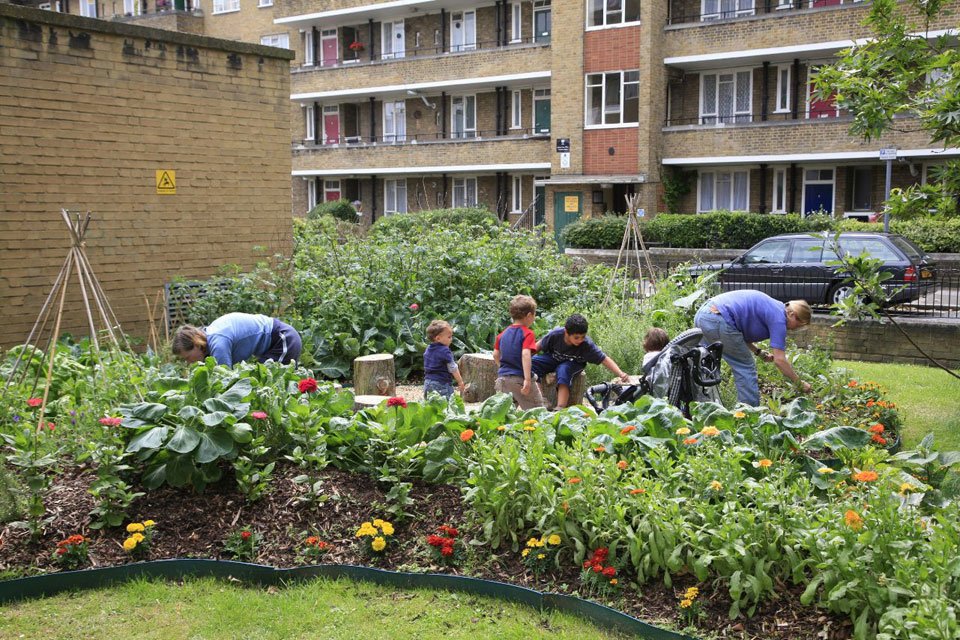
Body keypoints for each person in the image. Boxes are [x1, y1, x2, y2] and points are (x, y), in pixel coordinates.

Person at [694, 290, 812, 407]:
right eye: (799, 325)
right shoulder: (780, 319)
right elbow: (780, 360)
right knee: (746, 367)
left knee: (706, 364)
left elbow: (737, 334)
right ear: (792, 315)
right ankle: (749, 415)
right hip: (718, 318)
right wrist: (799, 383)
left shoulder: (775, 307)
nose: (796, 329)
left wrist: (758, 352)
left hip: (705, 314)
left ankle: (700, 405)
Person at [532, 314, 630, 408]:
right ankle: (540, 400)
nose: (580, 340)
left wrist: (620, 373)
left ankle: (560, 406)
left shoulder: (587, 345)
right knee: (531, 364)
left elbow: (604, 359)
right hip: (553, 358)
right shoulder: (555, 335)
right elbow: (537, 347)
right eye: (576, 337)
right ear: (566, 332)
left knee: (563, 370)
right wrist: (522, 358)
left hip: (573, 363)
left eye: (583, 337)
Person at [172, 312, 302, 367]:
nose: (188, 362)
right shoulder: (209, 342)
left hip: (283, 339)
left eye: (187, 357)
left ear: (196, 344)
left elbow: (225, 380)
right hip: (271, 346)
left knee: (275, 385)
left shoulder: (218, 343)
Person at [493, 294, 544, 410]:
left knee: (504, 413)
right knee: (537, 411)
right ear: (529, 315)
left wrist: (503, 367)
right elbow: (525, 354)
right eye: (534, 315)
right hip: (520, 378)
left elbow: (495, 354)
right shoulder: (528, 333)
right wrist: (527, 379)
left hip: (503, 379)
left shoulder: (502, 334)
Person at [423, 319, 466, 400]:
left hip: (427, 382)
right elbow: (453, 368)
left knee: (430, 406)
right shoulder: (445, 351)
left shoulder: (428, 348)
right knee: (446, 406)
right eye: (449, 337)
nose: (451, 339)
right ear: (438, 338)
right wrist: (460, 382)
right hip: (441, 383)